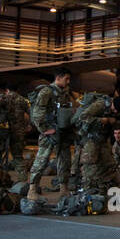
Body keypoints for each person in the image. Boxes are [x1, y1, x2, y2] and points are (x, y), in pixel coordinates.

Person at [28, 68, 76, 200]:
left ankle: (63, 188)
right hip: (50, 133)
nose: (68, 81)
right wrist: (44, 130)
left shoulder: (65, 93)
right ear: (58, 77)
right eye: (66, 78)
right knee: (42, 160)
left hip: (63, 131)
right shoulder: (46, 91)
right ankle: (32, 188)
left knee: (64, 160)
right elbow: (38, 113)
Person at [76, 92, 120, 192]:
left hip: (101, 139)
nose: (115, 111)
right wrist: (103, 120)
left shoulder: (115, 111)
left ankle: (102, 184)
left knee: (108, 163)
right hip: (89, 138)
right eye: (115, 109)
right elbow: (83, 117)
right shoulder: (100, 105)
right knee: (90, 163)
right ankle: (86, 188)